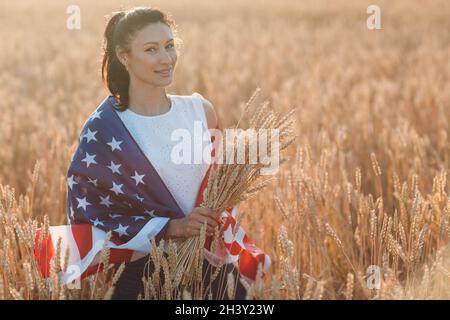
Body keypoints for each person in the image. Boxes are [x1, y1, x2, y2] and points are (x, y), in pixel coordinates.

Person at [68, 6, 247, 300]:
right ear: (124, 57)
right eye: (151, 50)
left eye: (169, 46)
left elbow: (222, 183)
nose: (166, 59)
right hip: (142, 273)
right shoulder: (106, 128)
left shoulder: (200, 111)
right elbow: (94, 213)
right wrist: (173, 227)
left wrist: (216, 220)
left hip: (209, 268)